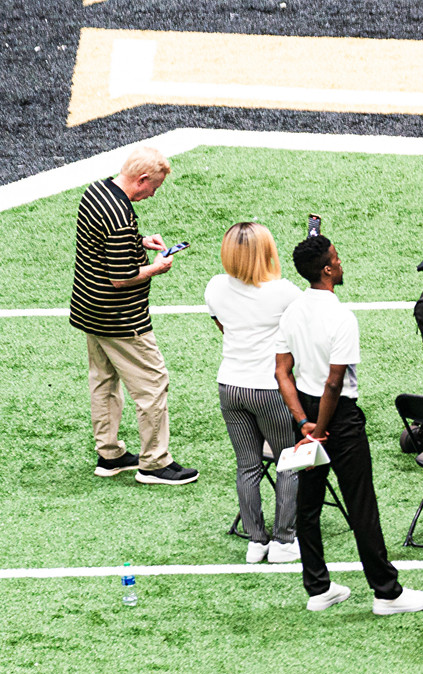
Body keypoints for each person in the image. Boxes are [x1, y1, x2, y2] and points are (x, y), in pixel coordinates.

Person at [272, 233, 423, 617]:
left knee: (308, 504)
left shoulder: (292, 312)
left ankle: (318, 588)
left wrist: (303, 423)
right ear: (328, 269)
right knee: (361, 505)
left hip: (307, 415)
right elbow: (334, 381)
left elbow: (282, 372)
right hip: (338, 418)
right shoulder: (341, 317)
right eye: (337, 258)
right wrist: (322, 427)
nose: (341, 262)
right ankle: (386, 592)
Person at [73, 146, 195, 485]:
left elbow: (102, 243)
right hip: (120, 316)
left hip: (88, 308)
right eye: (153, 187)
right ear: (141, 179)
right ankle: (154, 463)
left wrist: (138, 240)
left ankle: (109, 454)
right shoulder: (118, 212)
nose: (152, 193)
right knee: (153, 382)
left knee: (104, 380)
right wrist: (156, 268)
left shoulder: (97, 191)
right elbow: (121, 276)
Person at [205, 222, 302, 563]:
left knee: (246, 466)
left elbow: (222, 326)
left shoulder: (215, 287)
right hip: (269, 388)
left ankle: (256, 540)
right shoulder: (286, 292)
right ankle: (284, 541)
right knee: (288, 462)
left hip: (230, 385)